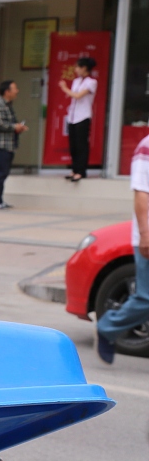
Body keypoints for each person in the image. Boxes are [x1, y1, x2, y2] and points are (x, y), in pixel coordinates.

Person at [96, 132, 149, 364]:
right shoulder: (146, 147)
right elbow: (141, 192)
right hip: (148, 236)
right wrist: (145, 235)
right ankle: (107, 327)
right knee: (147, 298)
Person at [0, 80, 28, 210]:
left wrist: (18, 128)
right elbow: (0, 124)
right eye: (15, 89)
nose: (17, 91)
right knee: (1, 173)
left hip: (8, 144)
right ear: (7, 92)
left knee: (3, 173)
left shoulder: (7, 105)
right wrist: (15, 127)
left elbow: (8, 124)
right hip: (1, 145)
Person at [59, 56, 99, 183]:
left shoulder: (91, 82)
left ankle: (81, 171)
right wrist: (68, 91)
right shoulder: (76, 81)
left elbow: (78, 96)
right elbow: (72, 95)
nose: (76, 69)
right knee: (73, 145)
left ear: (84, 68)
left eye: (77, 67)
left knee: (81, 145)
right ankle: (74, 169)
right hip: (72, 116)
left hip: (83, 116)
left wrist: (64, 88)